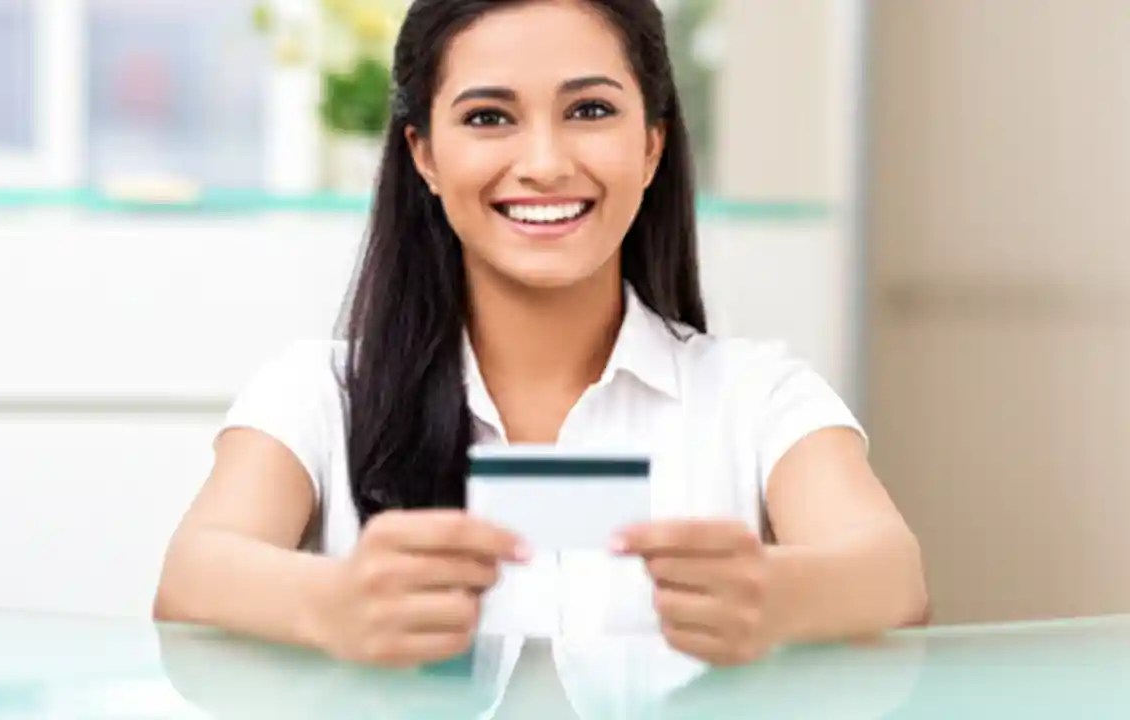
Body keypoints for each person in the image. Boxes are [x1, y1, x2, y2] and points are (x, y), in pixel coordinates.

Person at [155, 0, 927, 677]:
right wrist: (336, 603)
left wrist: (777, 596)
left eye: (590, 110)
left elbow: (892, 577)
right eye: (488, 117)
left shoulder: (757, 395)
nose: (546, 164)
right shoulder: (319, 392)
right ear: (423, 153)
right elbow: (193, 575)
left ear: (652, 144)